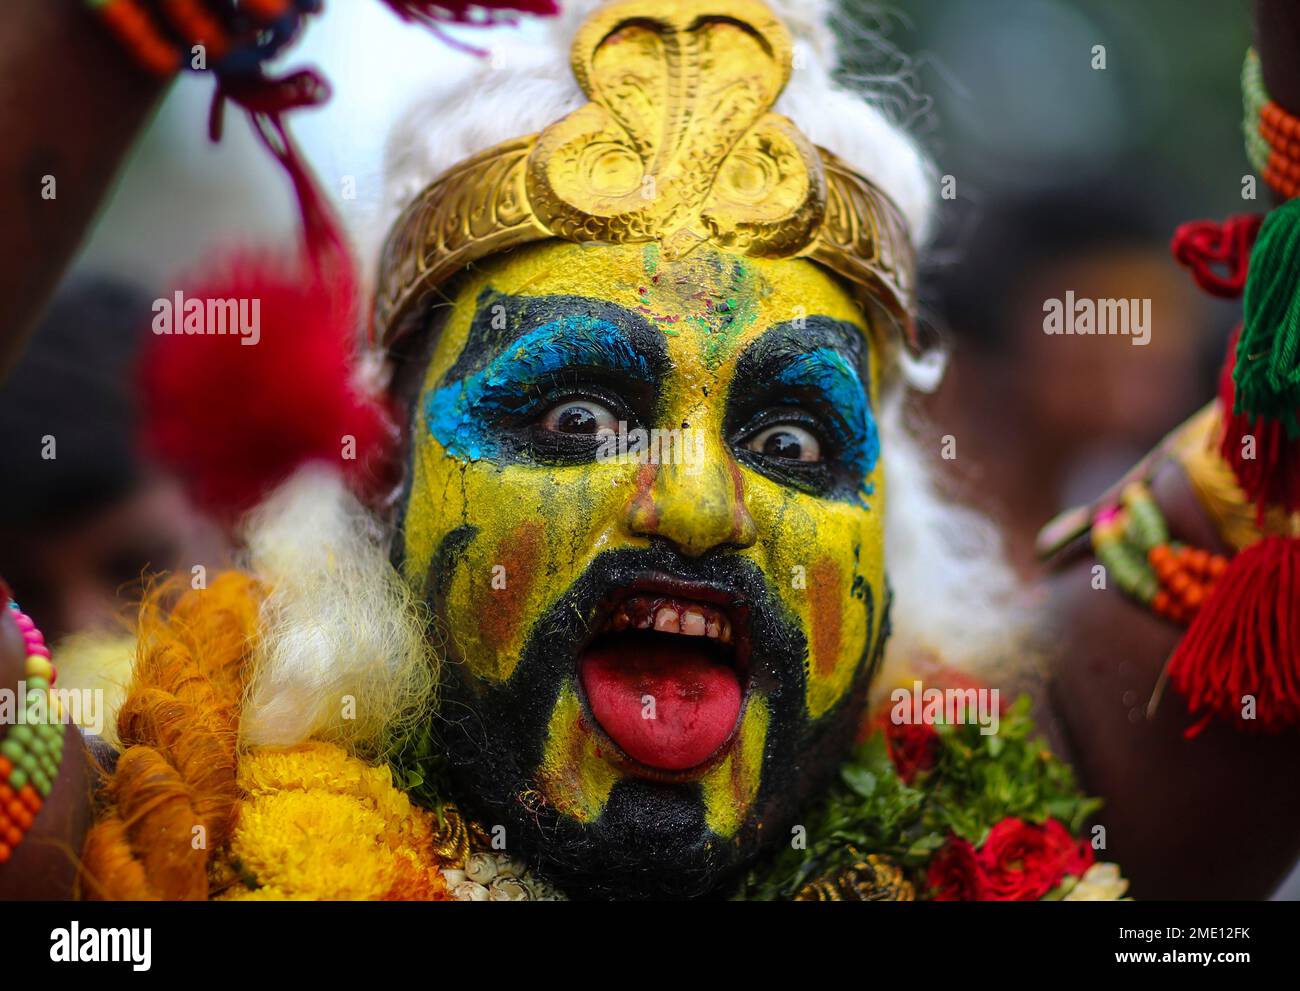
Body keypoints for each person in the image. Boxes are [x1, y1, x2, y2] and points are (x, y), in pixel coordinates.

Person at [1, 0, 1297, 901]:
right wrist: (120, 31)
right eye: (574, 417)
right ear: (384, 476)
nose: (692, 504)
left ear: (884, 528)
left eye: (790, 435)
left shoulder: (1046, 812)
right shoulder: (144, 838)